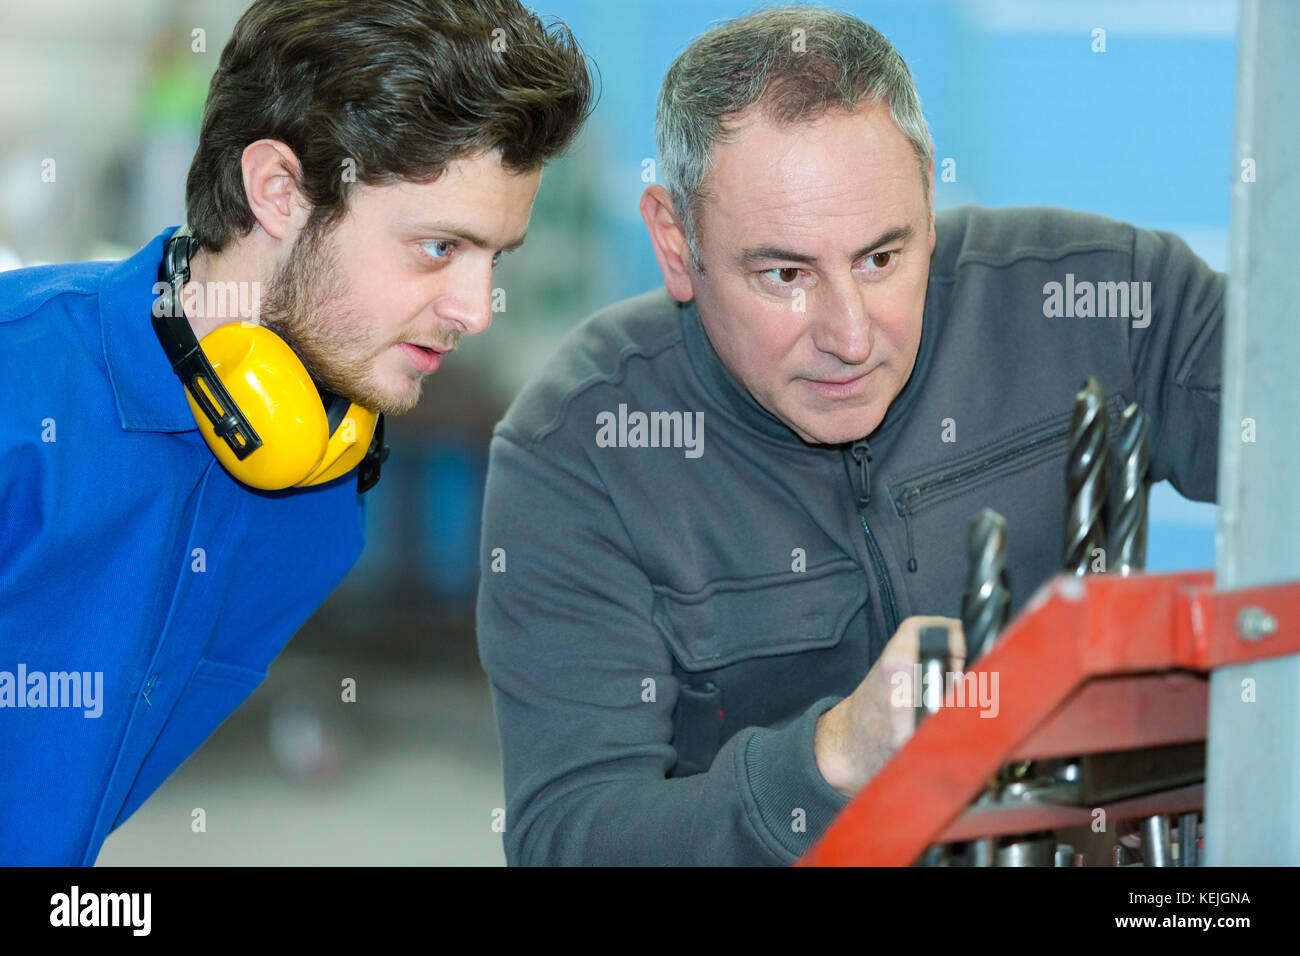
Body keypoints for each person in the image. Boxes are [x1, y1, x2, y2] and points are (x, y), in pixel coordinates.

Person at [476, 6, 1222, 865]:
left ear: (930, 206)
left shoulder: (1107, 302)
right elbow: (572, 838)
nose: (851, 334)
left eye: (881, 258)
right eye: (785, 273)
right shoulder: (582, 450)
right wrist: (831, 757)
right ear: (677, 245)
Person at [0, 0, 592, 865]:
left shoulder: (319, 497)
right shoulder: (21, 388)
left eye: (493, 259)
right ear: (278, 191)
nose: (476, 310)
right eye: (438, 248)